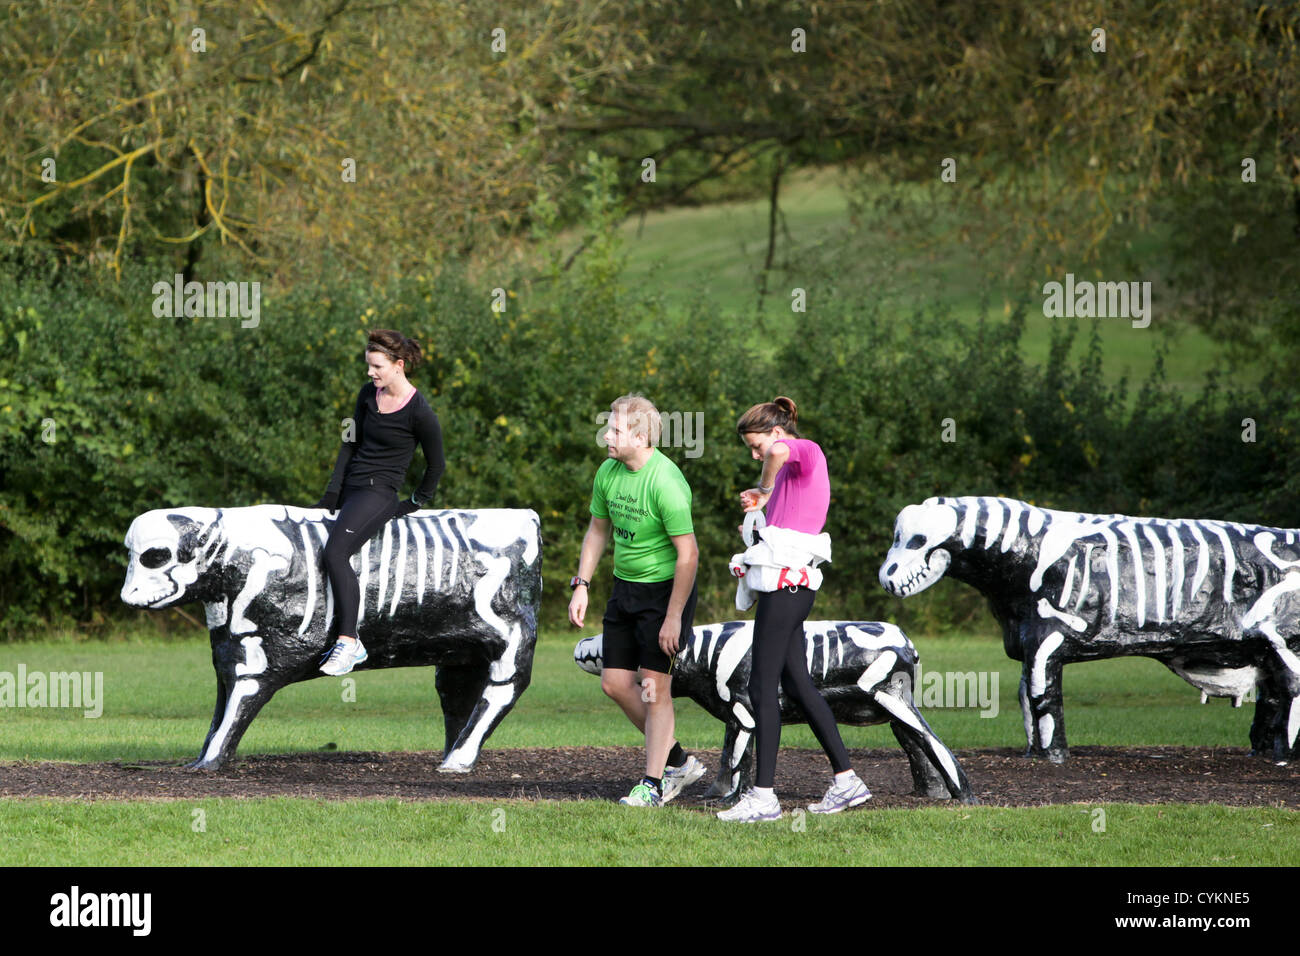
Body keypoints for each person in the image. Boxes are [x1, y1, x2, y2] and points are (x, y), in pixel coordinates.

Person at [718, 396, 870, 822]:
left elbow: (781, 452)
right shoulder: (787, 474)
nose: (756, 455)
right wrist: (759, 514)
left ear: (777, 432)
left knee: (762, 686)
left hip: (788, 587)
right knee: (798, 684)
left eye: (756, 446)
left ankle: (764, 798)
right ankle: (847, 781)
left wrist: (764, 487)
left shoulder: (804, 450)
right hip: (786, 586)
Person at [568, 394, 706, 807]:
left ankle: (652, 784)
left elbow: (689, 554)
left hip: (665, 593)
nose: (606, 436)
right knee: (614, 684)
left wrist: (673, 617)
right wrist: (582, 583)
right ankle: (677, 760)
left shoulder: (666, 482)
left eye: (614, 429)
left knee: (653, 689)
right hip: (624, 587)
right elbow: (597, 530)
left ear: (641, 436)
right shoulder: (608, 473)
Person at [313, 329, 445, 677]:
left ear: (399, 365)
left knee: (335, 553)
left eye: (377, 367)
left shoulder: (420, 412)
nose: (371, 373)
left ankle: (349, 642)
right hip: (351, 490)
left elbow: (436, 465)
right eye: (369, 366)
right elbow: (349, 442)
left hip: (379, 493)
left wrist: (415, 501)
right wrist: (331, 492)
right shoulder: (367, 395)